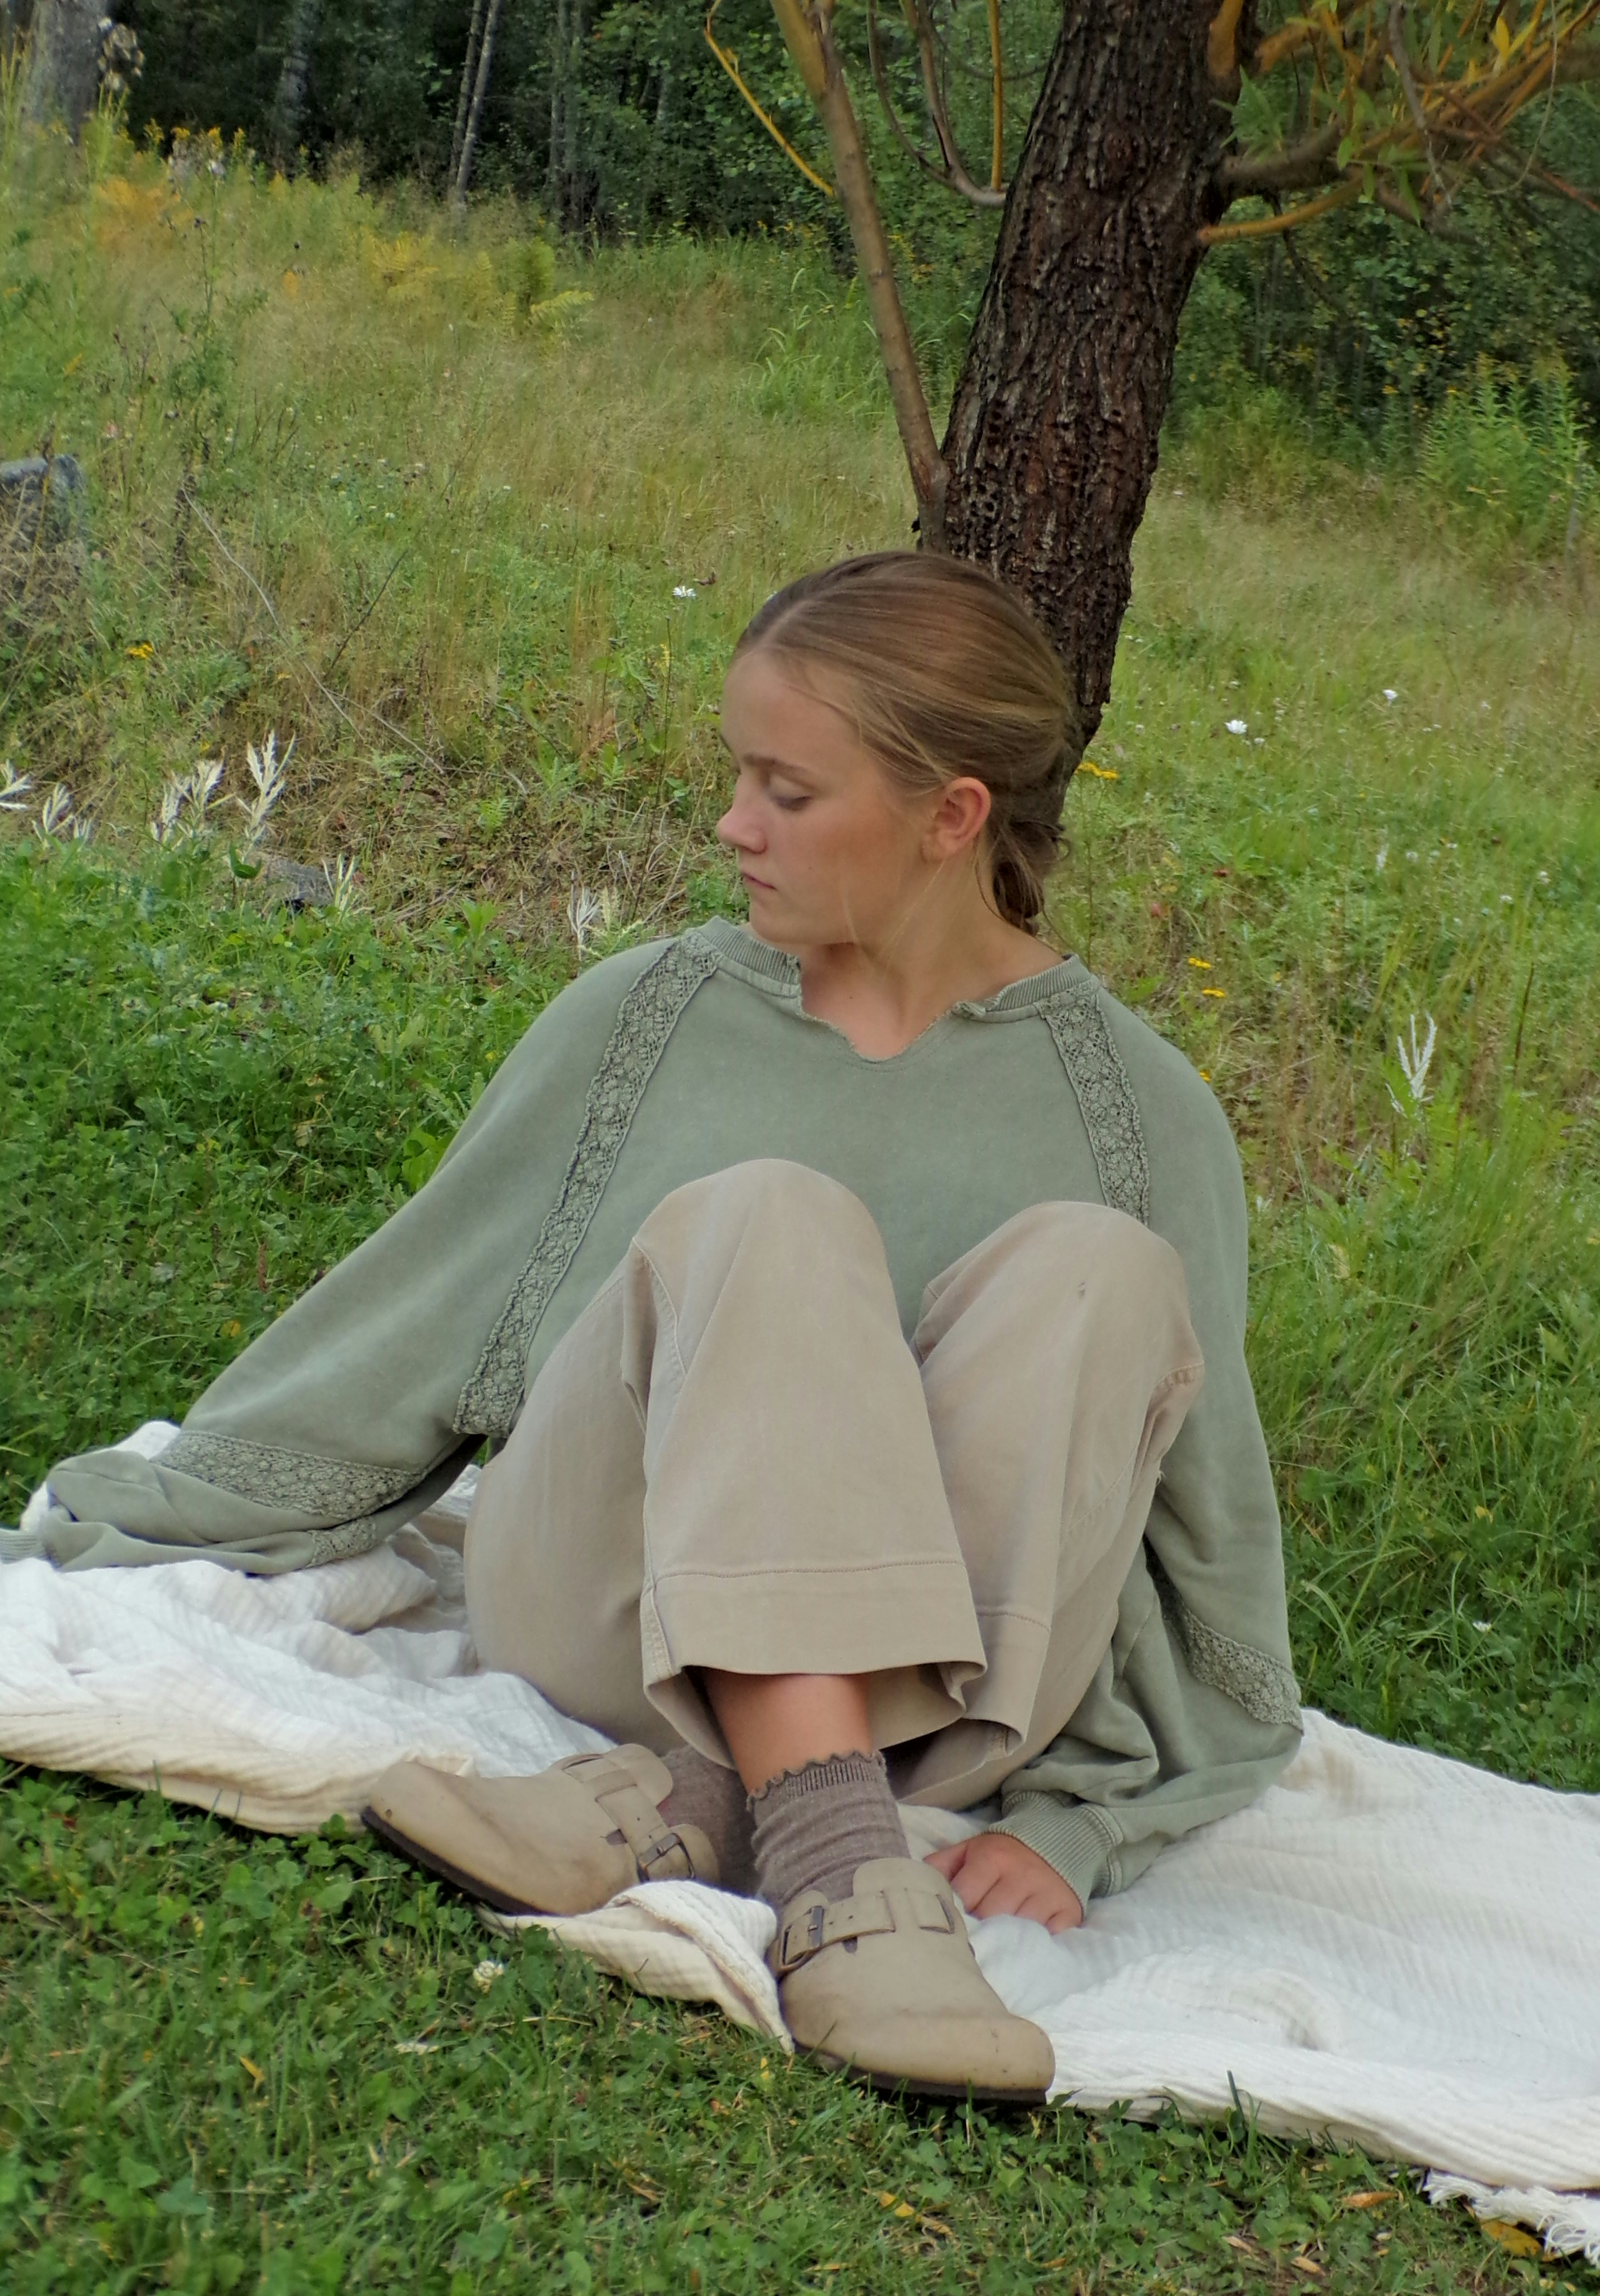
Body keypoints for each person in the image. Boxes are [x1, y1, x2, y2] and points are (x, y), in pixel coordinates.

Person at [22, 553, 1301, 2103]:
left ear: (952, 816)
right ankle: (841, 1864)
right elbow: (421, 1308)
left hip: (954, 1671)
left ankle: (707, 1793)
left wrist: (1087, 1821)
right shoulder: (651, 1018)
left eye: (786, 790)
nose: (731, 826)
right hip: (616, 1611)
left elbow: (1186, 1526)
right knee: (769, 1214)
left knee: (1108, 1269)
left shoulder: (1143, 1113)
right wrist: (167, 1508)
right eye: (736, 777)